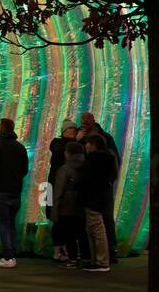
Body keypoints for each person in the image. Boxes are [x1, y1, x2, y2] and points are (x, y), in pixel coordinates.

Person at [0, 117, 29, 268]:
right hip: (15, 190)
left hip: (1, 189)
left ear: (1, 128)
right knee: (11, 223)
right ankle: (12, 254)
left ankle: (8, 256)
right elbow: (24, 169)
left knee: (3, 223)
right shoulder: (20, 147)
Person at [79, 111, 120, 263]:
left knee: (104, 220)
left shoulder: (104, 139)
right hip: (97, 188)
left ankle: (106, 254)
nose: (84, 123)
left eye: (87, 120)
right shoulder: (82, 137)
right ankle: (97, 255)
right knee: (96, 222)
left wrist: (109, 181)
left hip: (100, 189)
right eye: (83, 120)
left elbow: (114, 162)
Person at [51, 140, 90, 268]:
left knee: (69, 234)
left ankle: (72, 259)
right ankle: (86, 258)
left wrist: (55, 209)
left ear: (68, 153)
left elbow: (59, 189)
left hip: (67, 205)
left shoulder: (65, 168)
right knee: (82, 233)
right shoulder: (87, 166)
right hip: (84, 204)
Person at [48, 121, 79, 262]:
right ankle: (58, 249)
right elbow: (58, 153)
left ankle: (66, 249)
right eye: (70, 129)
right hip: (55, 188)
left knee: (66, 221)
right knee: (57, 219)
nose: (73, 131)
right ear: (64, 131)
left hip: (66, 192)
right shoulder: (57, 144)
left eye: (74, 129)